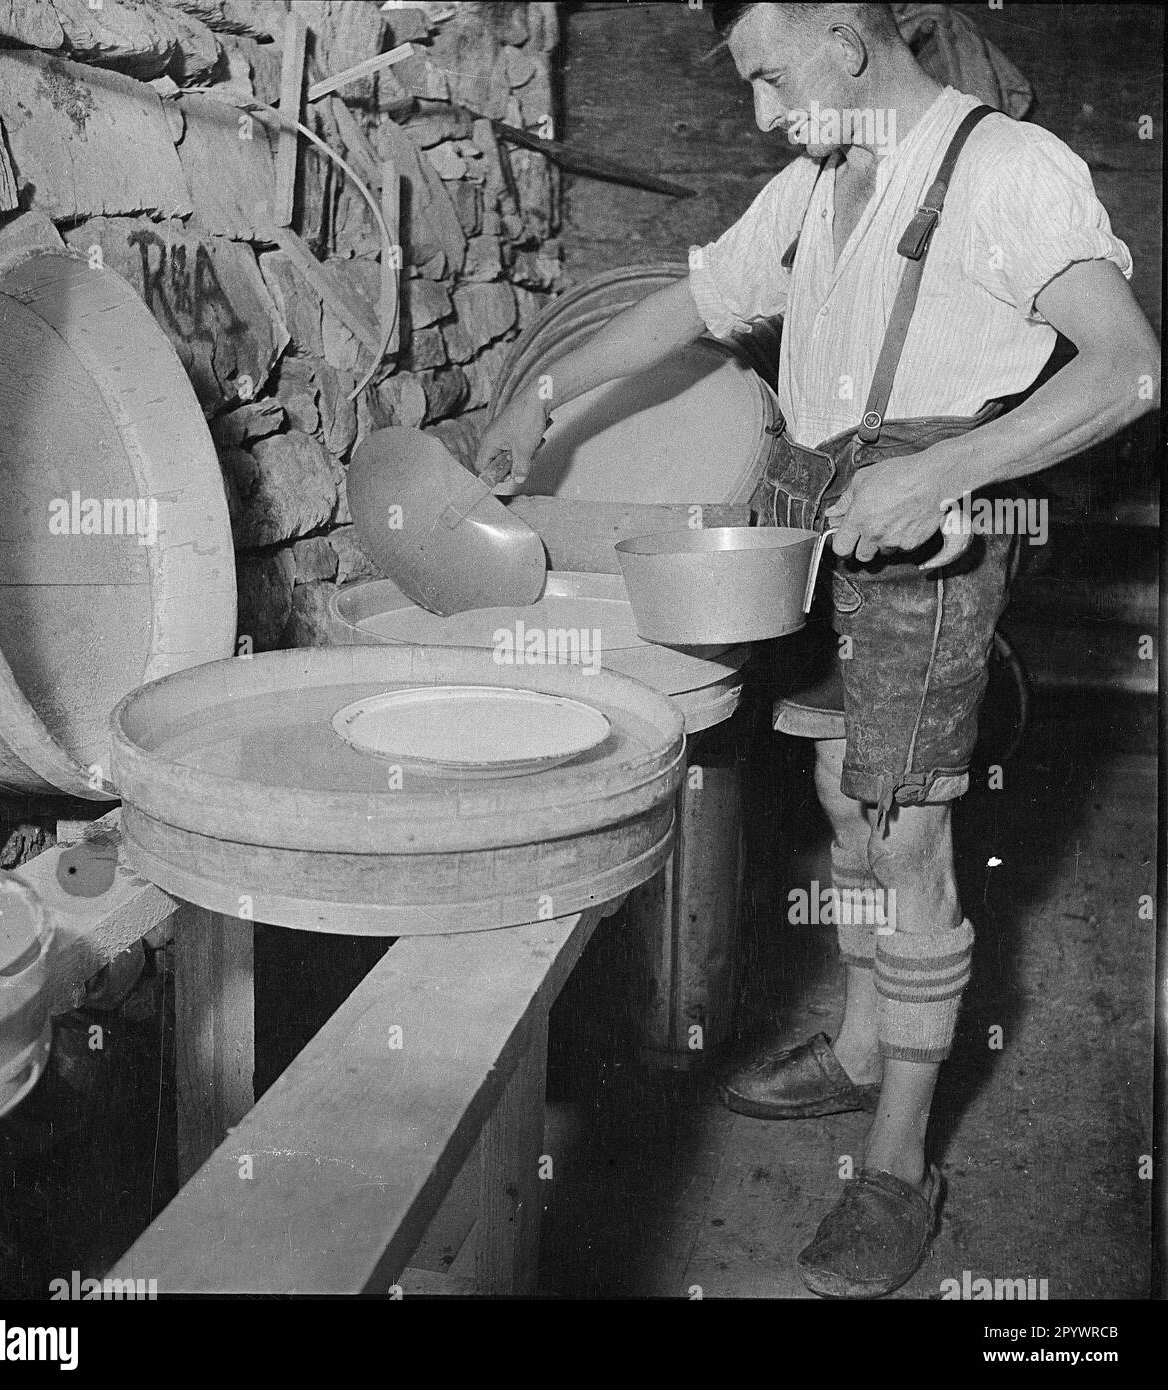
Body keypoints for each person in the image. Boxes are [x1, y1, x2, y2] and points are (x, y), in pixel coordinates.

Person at [475, 2, 1160, 1298]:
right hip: (812, 507)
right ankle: (854, 1047)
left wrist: (947, 469)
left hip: (930, 525)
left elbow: (1128, 369)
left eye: (768, 75)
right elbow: (687, 301)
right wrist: (537, 397)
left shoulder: (1004, 169)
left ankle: (898, 1161)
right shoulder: (809, 188)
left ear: (847, 39)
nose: (757, 110)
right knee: (842, 796)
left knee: (905, 832)